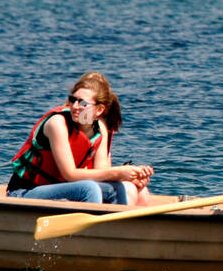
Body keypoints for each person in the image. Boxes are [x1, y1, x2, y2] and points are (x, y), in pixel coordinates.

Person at [8, 72, 155, 205]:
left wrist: (129, 176)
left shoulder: (100, 128)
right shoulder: (57, 124)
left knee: (125, 188)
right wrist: (119, 172)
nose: (76, 106)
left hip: (62, 188)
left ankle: (118, 232)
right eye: (73, 100)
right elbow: (70, 174)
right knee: (88, 189)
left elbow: (102, 172)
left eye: (83, 103)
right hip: (26, 192)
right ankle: (90, 234)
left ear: (99, 110)